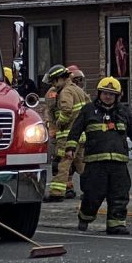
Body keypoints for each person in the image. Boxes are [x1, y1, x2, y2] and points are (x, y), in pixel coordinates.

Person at [63, 76, 132, 234]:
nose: (108, 96)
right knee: (93, 195)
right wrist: (70, 148)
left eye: (111, 94)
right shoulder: (88, 110)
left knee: (120, 194)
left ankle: (116, 224)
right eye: (105, 93)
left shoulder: (123, 111)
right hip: (96, 164)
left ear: (117, 96)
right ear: (99, 93)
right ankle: (85, 216)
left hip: (119, 164)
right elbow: (76, 130)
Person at [43, 65, 88, 200]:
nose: (52, 85)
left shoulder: (66, 92)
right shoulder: (78, 90)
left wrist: (59, 123)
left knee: (63, 163)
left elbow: (66, 110)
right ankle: (93, 190)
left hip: (68, 137)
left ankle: (56, 193)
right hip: (81, 136)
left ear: (60, 79)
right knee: (82, 165)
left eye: (53, 81)